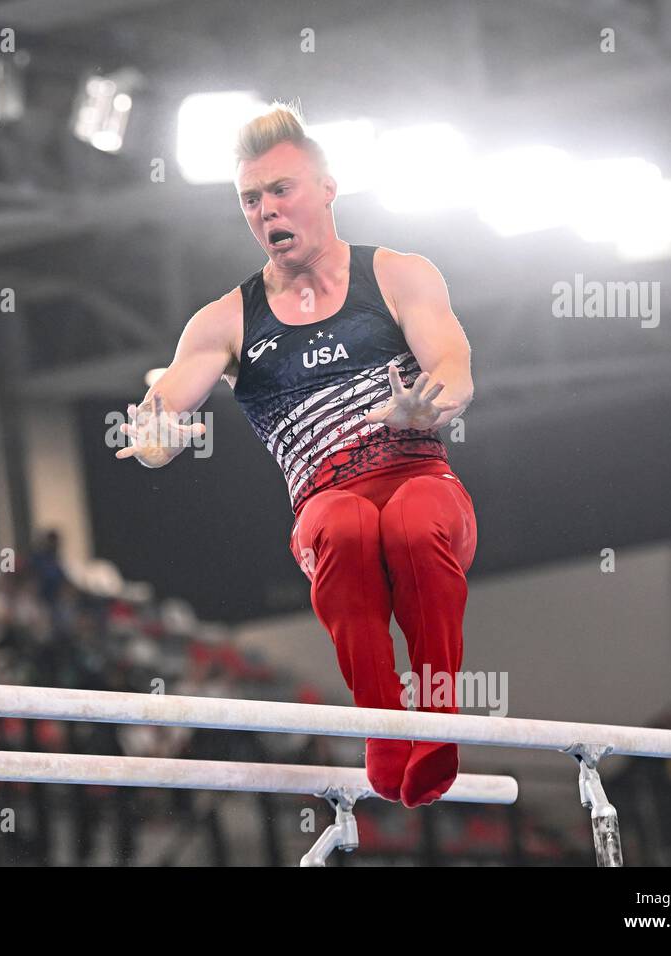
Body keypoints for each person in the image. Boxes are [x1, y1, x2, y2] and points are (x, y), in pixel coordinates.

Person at [114, 102, 477, 808]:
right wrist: (156, 442)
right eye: (251, 199)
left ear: (327, 188)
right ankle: (381, 722)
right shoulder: (226, 321)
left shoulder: (398, 275)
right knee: (344, 522)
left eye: (281, 190)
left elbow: (456, 366)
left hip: (424, 478)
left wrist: (431, 405)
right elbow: (163, 412)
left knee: (415, 514)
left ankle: (435, 718)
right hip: (325, 503)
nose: (266, 210)